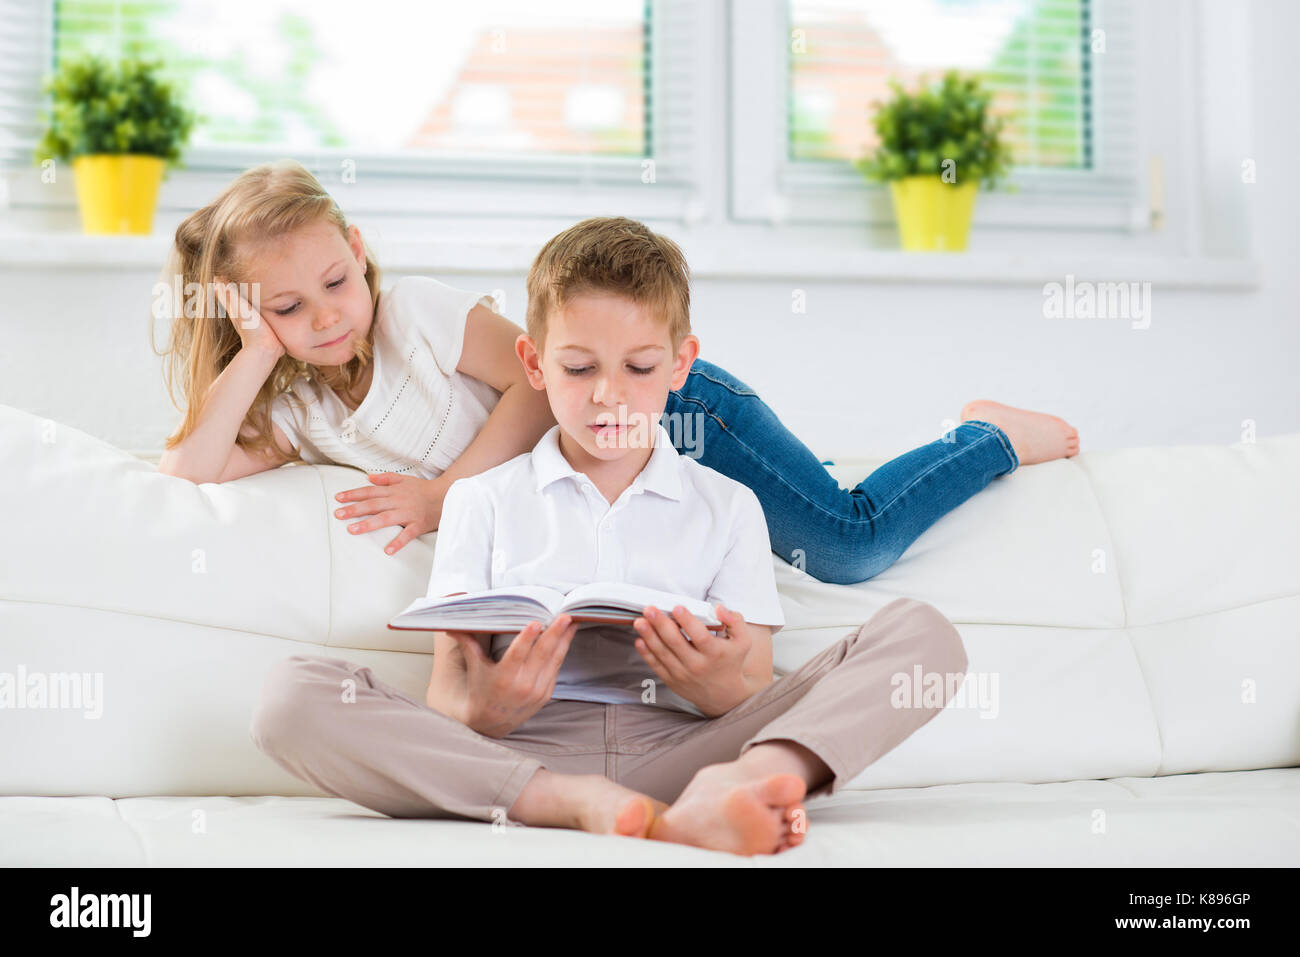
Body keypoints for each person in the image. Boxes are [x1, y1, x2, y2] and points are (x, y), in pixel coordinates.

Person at [249, 216, 971, 854]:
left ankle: (745, 784)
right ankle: (573, 804)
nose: (609, 394)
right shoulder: (482, 500)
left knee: (925, 637)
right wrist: (488, 706)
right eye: (578, 366)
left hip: (688, 747)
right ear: (534, 363)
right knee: (292, 698)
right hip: (524, 755)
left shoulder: (728, 506)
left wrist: (716, 685)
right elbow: (449, 695)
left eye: (640, 367)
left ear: (682, 364)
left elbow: (750, 682)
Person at [155, 158, 1078, 582]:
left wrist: (446, 501)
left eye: (335, 281)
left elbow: (533, 382)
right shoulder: (305, 409)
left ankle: (988, 436)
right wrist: (260, 353)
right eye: (286, 309)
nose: (325, 315)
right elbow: (189, 468)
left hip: (675, 415)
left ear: (360, 253)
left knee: (842, 544)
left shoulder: (414, 314)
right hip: (606, 449)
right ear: (247, 312)